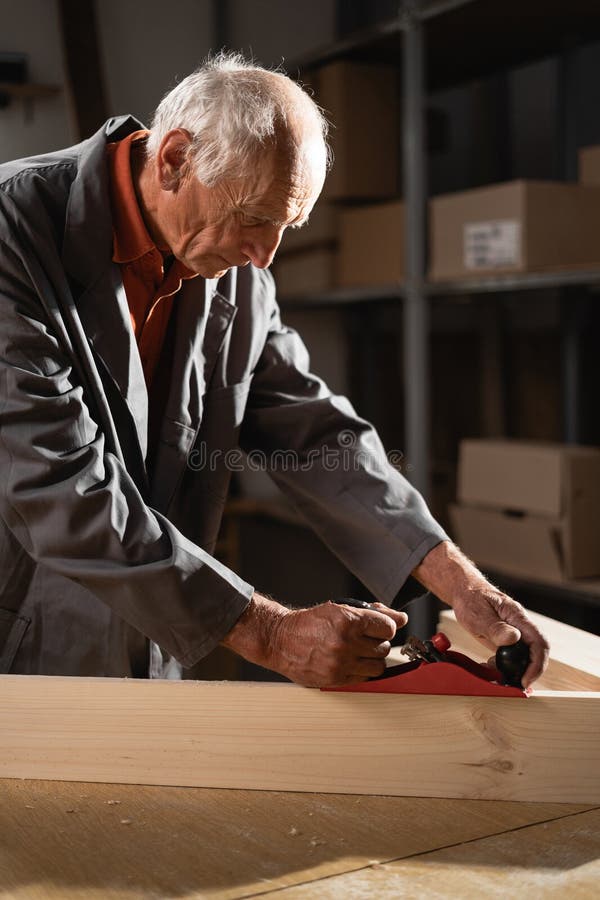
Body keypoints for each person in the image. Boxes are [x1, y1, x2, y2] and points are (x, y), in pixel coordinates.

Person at [0, 53, 548, 686]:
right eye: (256, 218)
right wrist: (270, 634)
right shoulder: (14, 232)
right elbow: (56, 482)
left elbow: (314, 436)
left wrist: (460, 583)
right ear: (176, 159)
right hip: (20, 649)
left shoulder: (233, 270)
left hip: (151, 648)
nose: (264, 258)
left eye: (286, 225)